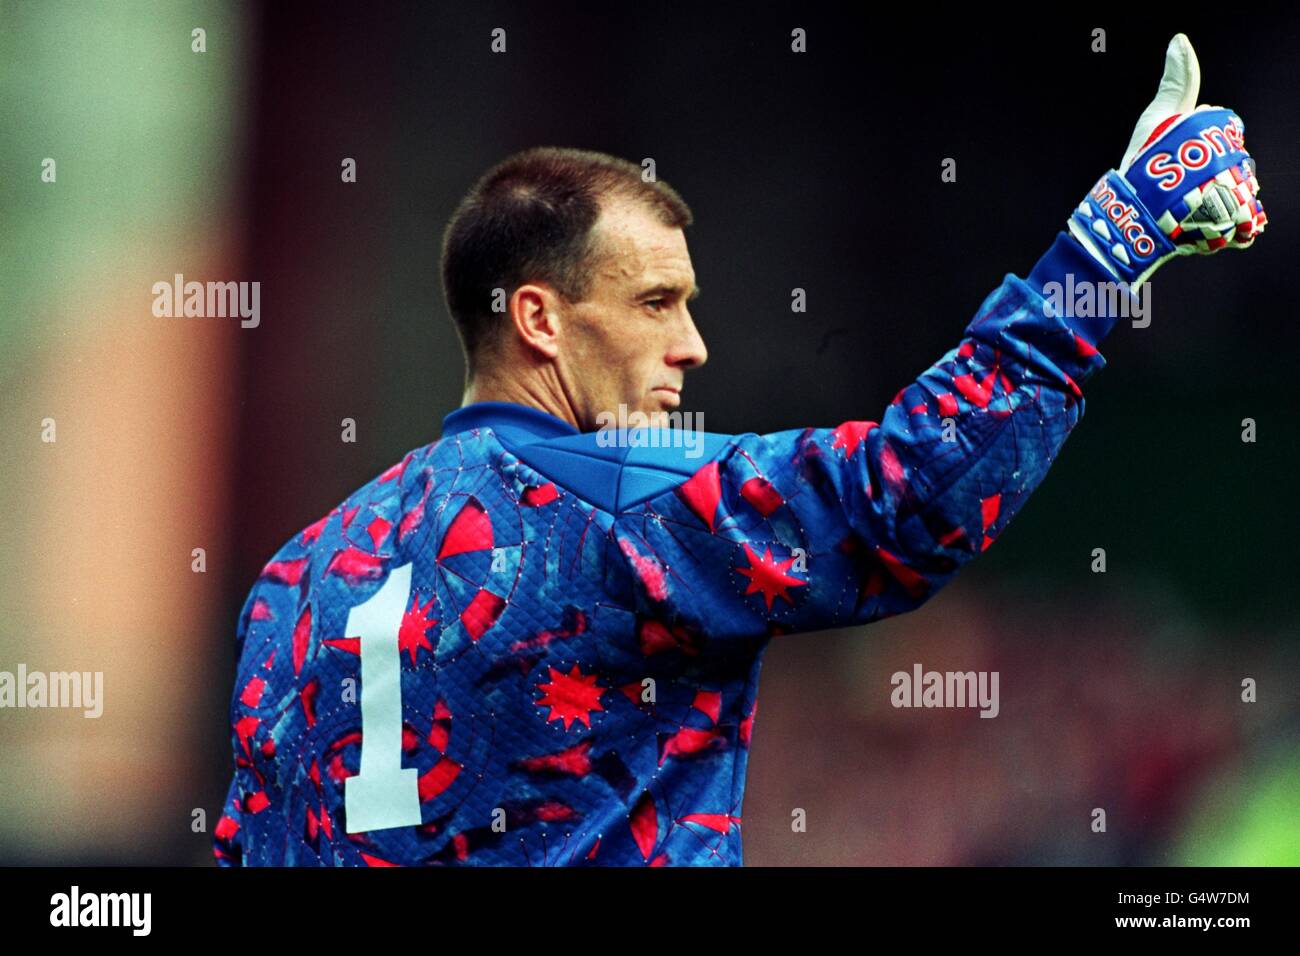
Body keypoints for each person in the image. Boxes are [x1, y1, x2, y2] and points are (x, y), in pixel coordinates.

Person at [214, 34, 1264, 866]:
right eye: (657, 302)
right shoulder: (615, 501)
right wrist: (1108, 242)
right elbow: (907, 494)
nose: (693, 344)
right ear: (539, 319)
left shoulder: (290, 581)